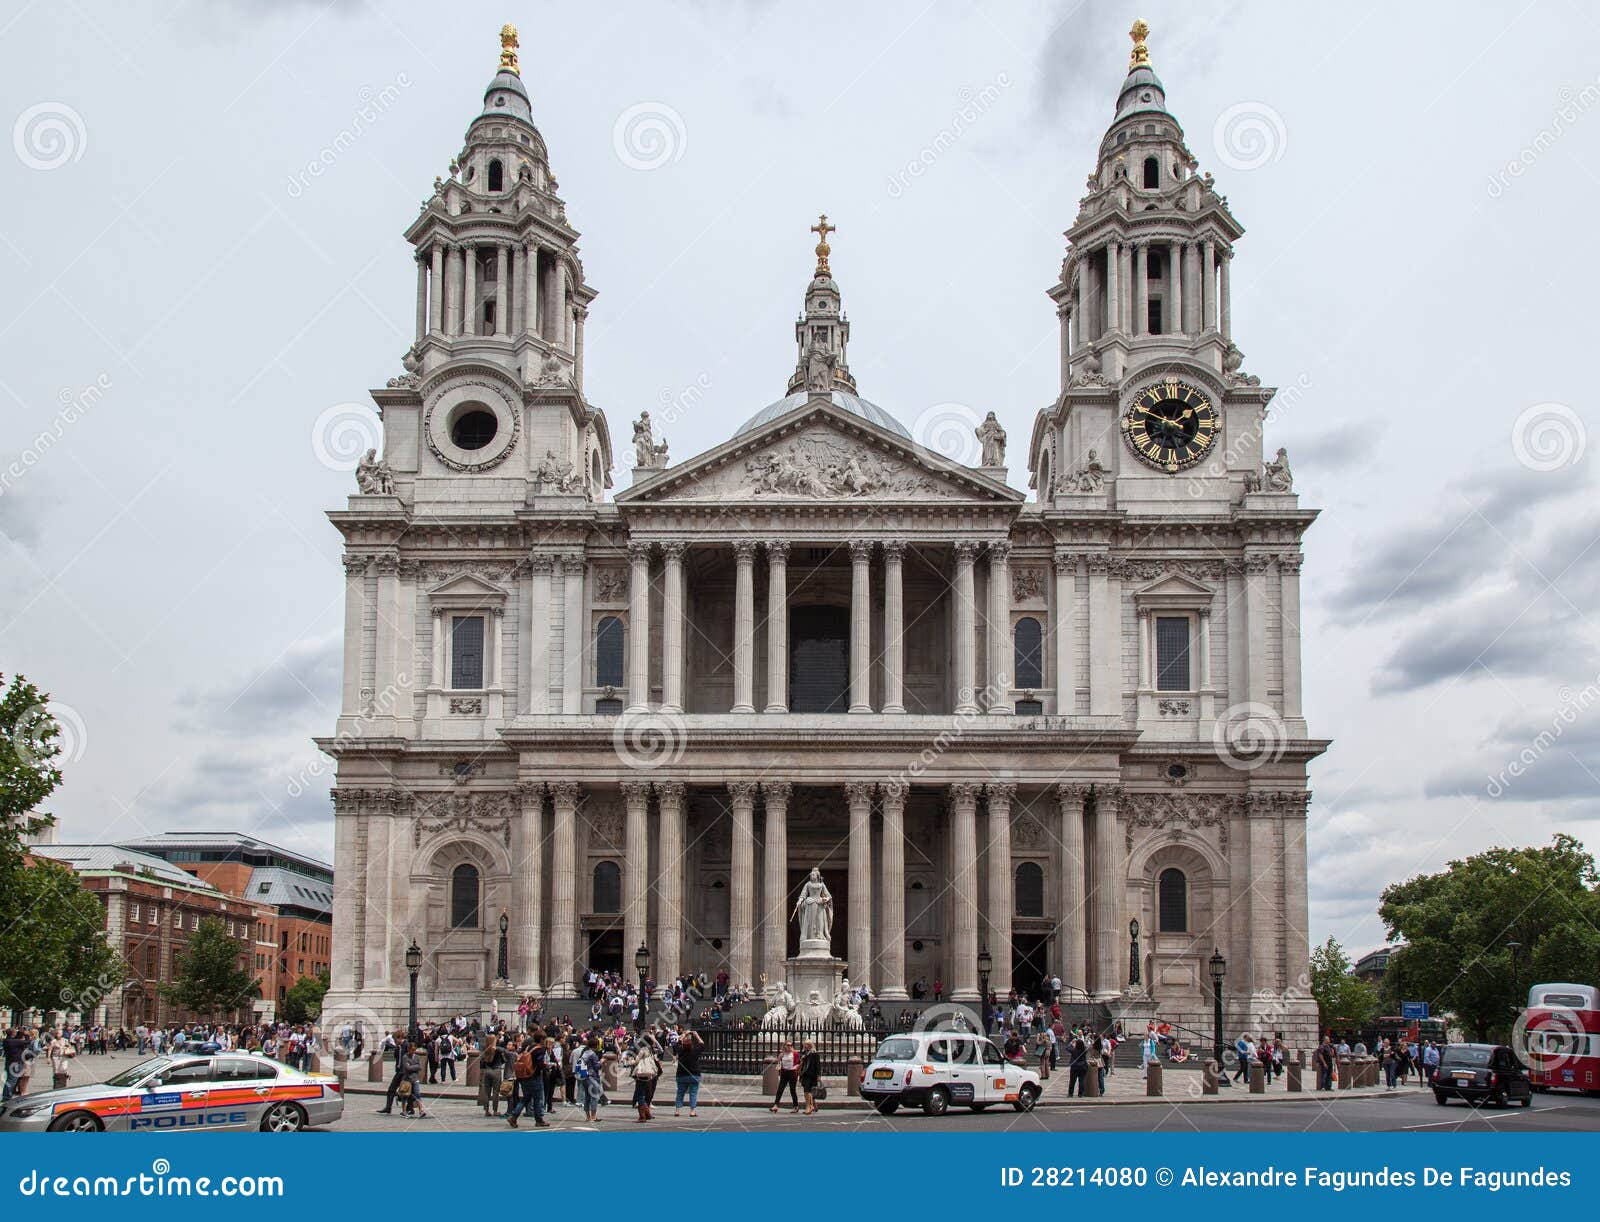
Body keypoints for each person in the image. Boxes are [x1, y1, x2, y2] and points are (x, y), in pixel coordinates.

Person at [629, 1038, 660, 1122]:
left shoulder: (643, 1050)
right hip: (649, 1075)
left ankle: (642, 1117)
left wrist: (630, 1061)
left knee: (640, 1095)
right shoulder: (650, 1050)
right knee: (644, 1094)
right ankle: (648, 1114)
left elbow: (636, 1061)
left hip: (641, 1074)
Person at [478, 1034, 508, 1119]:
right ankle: (495, 1110)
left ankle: (487, 1110)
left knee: (486, 1092)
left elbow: (482, 1062)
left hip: (487, 1071)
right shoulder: (498, 1050)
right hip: (496, 1070)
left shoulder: (484, 1050)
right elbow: (503, 1060)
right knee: (495, 1092)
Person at [674, 1029, 702, 1117]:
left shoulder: (680, 1051)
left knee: (680, 1093)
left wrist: (684, 1034)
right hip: (694, 1075)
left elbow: (677, 1042)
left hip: (681, 1075)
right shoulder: (695, 1051)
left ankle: (677, 1110)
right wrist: (696, 1035)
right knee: (693, 1093)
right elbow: (701, 1043)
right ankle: (692, 1111)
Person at [399, 1041, 429, 1118]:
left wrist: (412, 1066)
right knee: (405, 1096)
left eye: (414, 1050)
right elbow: (407, 1068)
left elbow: (419, 1067)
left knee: (417, 1095)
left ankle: (421, 1111)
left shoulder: (417, 1057)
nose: (413, 1051)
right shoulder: (405, 1057)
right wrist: (414, 1067)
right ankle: (404, 1111)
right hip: (407, 1080)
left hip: (415, 1079)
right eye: (411, 1050)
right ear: (408, 1049)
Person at [577, 1038, 604, 1124]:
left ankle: (588, 1116)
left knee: (587, 1097)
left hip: (584, 1076)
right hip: (592, 1077)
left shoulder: (585, 1053)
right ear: (596, 1045)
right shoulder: (593, 1054)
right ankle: (593, 1116)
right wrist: (601, 1062)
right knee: (594, 1096)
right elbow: (596, 1067)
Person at [771, 1039, 801, 1112]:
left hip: (792, 1073)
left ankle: (796, 1106)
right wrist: (779, 1066)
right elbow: (779, 1063)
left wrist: (796, 1067)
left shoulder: (795, 1053)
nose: (790, 1046)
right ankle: (776, 1105)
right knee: (780, 1089)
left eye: (791, 1045)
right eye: (788, 1045)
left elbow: (798, 1063)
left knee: (792, 1090)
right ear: (784, 1046)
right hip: (784, 1073)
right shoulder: (782, 1054)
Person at [798, 1040, 822, 1115]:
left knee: (806, 1091)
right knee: (809, 1091)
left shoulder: (814, 1054)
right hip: (804, 1075)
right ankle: (813, 1105)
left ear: (811, 1045)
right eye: (805, 1044)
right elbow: (801, 1064)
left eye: (807, 1044)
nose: (806, 1046)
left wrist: (818, 1076)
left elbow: (818, 1065)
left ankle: (808, 1107)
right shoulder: (804, 1054)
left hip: (812, 1075)